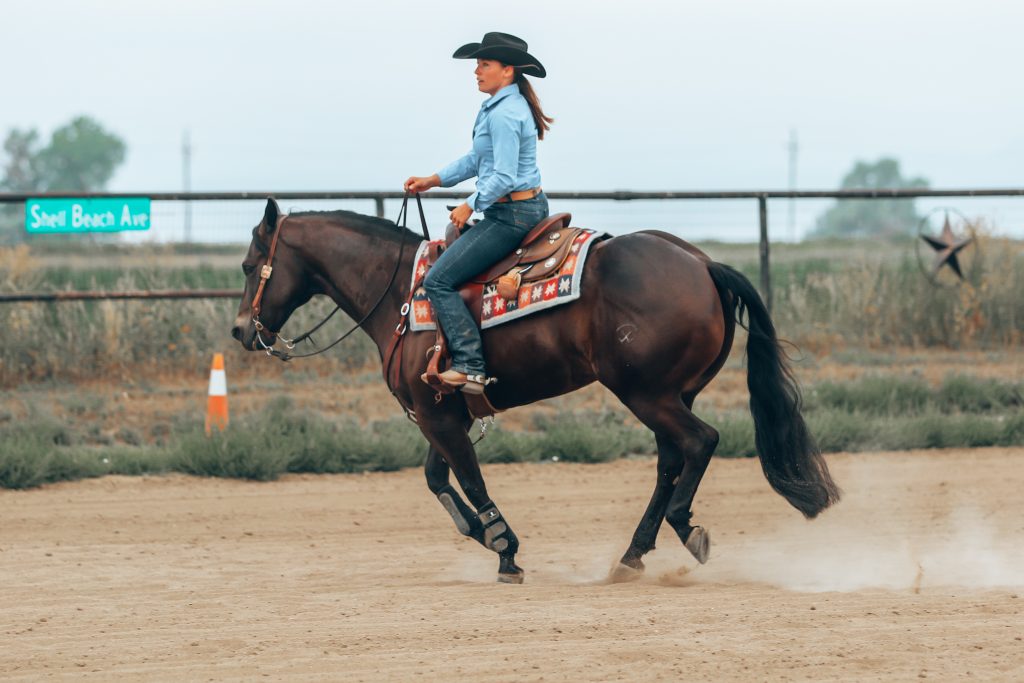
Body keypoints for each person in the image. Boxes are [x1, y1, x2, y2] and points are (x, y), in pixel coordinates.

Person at [405, 32, 554, 394]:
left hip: (512, 215)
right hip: (522, 206)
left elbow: (502, 175)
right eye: (478, 63)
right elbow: (477, 159)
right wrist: (435, 179)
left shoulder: (505, 113)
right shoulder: (500, 106)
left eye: (484, 64)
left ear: (507, 70)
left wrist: (470, 205)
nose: (476, 71)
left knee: (437, 280)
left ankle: (470, 365)